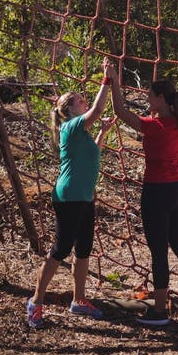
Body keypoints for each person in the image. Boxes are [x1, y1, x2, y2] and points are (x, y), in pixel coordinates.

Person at [104, 41, 178, 327]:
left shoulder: (154, 126)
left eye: (149, 96)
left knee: (159, 250)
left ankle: (159, 312)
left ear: (159, 98)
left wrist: (113, 82)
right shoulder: (177, 118)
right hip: (176, 192)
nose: (147, 100)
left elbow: (120, 112)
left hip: (156, 193)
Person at [26, 57, 114, 329]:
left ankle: (79, 300)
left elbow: (93, 154)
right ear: (69, 110)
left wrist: (102, 133)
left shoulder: (82, 133)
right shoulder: (70, 126)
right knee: (61, 248)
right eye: (79, 100)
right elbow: (98, 108)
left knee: (84, 248)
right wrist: (106, 79)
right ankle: (35, 301)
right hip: (68, 197)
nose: (84, 101)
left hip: (84, 197)